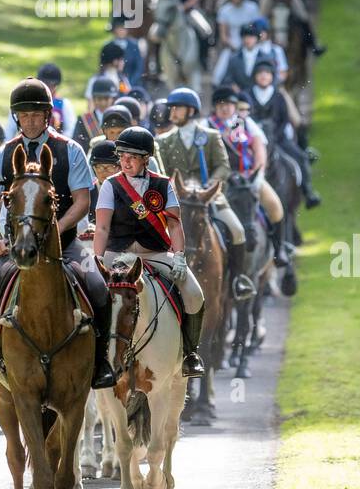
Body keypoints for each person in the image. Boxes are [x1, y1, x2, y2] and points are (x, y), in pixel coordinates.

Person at [0, 78, 116, 391]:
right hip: (14, 245)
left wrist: (53, 234)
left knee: (99, 287)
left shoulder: (70, 150)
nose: (31, 121)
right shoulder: (2, 155)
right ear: (16, 117)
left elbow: (82, 202)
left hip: (66, 243)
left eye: (37, 114)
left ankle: (101, 363)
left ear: (47, 115)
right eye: (25, 115)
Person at [91, 126, 205, 377]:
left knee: (195, 295)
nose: (125, 161)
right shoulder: (111, 185)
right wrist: (98, 259)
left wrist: (180, 256)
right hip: (116, 255)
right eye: (121, 156)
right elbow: (102, 227)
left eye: (132, 156)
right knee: (89, 291)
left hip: (154, 253)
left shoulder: (163, 185)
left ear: (146, 159)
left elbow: (174, 224)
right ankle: (94, 354)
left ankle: (190, 353)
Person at [152, 87, 250, 289]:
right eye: (171, 109)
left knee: (237, 230)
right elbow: (162, 172)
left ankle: (237, 281)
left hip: (209, 197)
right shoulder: (162, 141)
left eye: (176, 109)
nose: (172, 113)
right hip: (177, 199)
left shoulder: (211, 136)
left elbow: (223, 166)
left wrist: (209, 186)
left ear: (190, 110)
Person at [208, 87, 288, 264]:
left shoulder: (245, 123)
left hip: (249, 177)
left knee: (275, 205)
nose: (225, 108)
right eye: (221, 104)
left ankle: (279, 248)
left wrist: (257, 172)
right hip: (222, 181)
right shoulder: (207, 126)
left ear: (235, 106)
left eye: (229, 104)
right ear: (215, 107)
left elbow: (259, 148)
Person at [248, 62, 321, 208]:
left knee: (300, 157)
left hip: (278, 139)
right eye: (260, 73)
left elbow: (284, 119)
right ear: (255, 76)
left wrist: (274, 136)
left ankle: (308, 191)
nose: (263, 76)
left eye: (267, 73)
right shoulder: (247, 94)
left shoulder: (278, 96)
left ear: (271, 76)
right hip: (254, 141)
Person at [213, 0, 260, 85]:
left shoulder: (252, 8)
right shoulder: (224, 10)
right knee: (217, 75)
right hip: (232, 46)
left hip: (251, 44)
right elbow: (223, 35)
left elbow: (257, 29)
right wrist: (233, 46)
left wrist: (250, 43)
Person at [73, 74, 118, 150]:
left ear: (113, 99)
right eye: (99, 99)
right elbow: (77, 145)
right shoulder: (84, 120)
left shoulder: (118, 118)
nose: (103, 103)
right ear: (93, 99)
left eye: (106, 98)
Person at [108, 15, 144, 88]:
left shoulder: (134, 45)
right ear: (114, 30)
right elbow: (105, 68)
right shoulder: (109, 46)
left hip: (132, 84)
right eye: (119, 28)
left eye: (123, 28)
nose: (121, 31)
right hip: (112, 85)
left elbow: (139, 67)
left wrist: (130, 83)